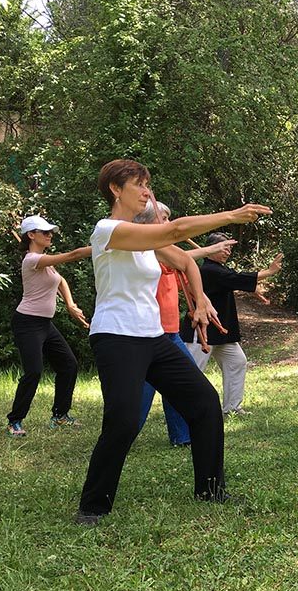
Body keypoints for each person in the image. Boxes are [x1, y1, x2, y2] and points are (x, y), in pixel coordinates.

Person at [75, 158, 270, 525]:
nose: (147, 191)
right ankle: (93, 505)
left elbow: (185, 260)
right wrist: (231, 215)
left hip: (154, 338)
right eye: (139, 184)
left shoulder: (145, 237)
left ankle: (211, 489)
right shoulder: (108, 231)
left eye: (148, 184)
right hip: (117, 336)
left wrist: (201, 300)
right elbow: (175, 230)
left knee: (205, 403)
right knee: (124, 421)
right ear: (116, 189)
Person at [132, 201, 236, 446]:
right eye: (163, 219)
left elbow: (185, 280)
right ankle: (121, 437)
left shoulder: (165, 251)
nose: (167, 224)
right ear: (146, 224)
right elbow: (181, 261)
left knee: (183, 383)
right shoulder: (144, 250)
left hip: (170, 333)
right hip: (149, 335)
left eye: (169, 219)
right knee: (143, 394)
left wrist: (204, 303)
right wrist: (208, 251)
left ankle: (182, 436)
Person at [179, 233, 283, 416]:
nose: (227, 251)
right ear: (211, 249)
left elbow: (232, 279)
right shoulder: (209, 270)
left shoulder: (218, 269)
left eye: (229, 248)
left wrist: (252, 289)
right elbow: (236, 279)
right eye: (223, 247)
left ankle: (232, 408)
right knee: (192, 372)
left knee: (237, 361)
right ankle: (182, 412)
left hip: (222, 331)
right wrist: (269, 271)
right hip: (202, 329)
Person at [6, 215, 91, 437]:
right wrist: (101, 246)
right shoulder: (32, 260)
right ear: (31, 235)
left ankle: (60, 416)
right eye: (45, 232)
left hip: (45, 324)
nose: (50, 235)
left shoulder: (46, 263)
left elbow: (60, 280)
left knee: (69, 365)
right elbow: (72, 256)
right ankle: (14, 421)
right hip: (27, 323)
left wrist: (71, 305)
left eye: (50, 231)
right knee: (33, 372)